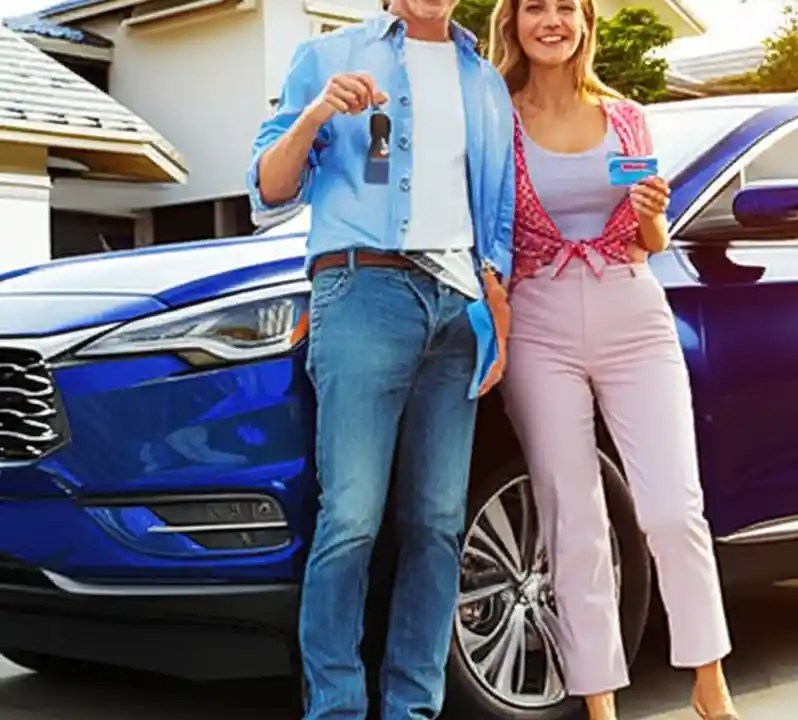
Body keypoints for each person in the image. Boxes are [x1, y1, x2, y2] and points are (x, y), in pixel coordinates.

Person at [245, 0, 515, 716]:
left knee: (436, 523)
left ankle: (412, 707)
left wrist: (500, 307)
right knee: (352, 517)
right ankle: (335, 705)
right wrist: (314, 118)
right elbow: (269, 190)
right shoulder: (327, 58)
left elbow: (497, 212)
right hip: (363, 290)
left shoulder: (484, 80)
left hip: (459, 312)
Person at [485, 0, 739, 718]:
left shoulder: (625, 116)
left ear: (586, 21)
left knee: (671, 509)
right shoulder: (495, 119)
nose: (552, 20)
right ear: (514, 21)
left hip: (632, 310)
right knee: (574, 517)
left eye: (566, 6)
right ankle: (600, 704)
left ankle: (709, 684)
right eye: (536, 6)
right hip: (539, 319)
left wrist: (652, 208)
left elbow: (650, 238)